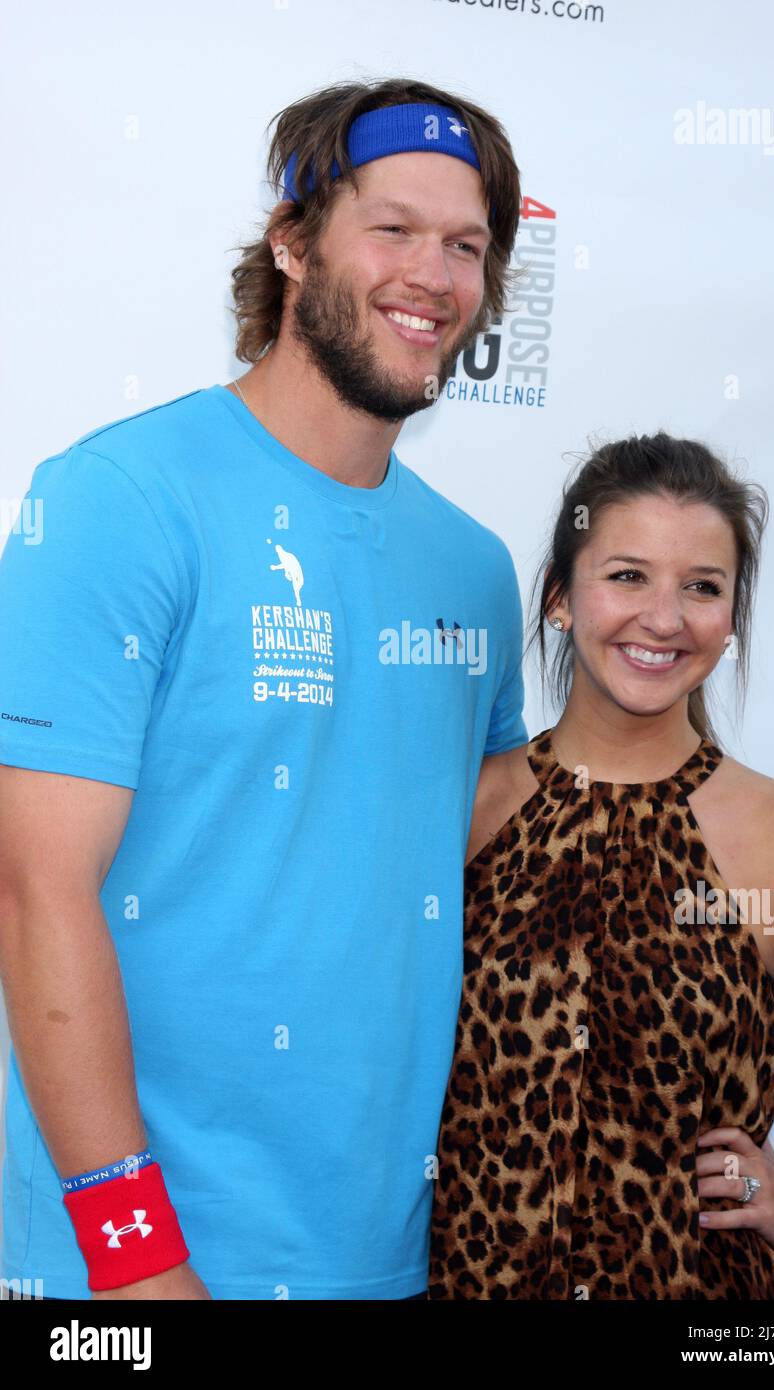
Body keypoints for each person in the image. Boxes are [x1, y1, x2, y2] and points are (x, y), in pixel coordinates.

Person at [0, 78, 528, 1300]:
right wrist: (137, 1265)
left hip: (378, 1259)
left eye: (465, 246)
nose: (433, 276)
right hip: (119, 1276)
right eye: (390, 229)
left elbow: (476, 832)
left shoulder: (472, 567)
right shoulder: (118, 499)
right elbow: (35, 895)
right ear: (293, 245)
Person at [427, 433, 774, 1299]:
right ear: (560, 597)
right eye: (627, 575)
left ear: (730, 618)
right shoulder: (462, 809)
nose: (664, 618)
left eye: (702, 587)